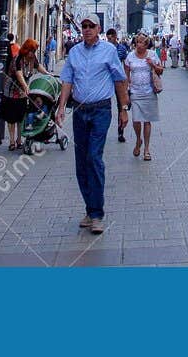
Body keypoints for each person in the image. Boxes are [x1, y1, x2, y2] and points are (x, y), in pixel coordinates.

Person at [56, 15, 129, 234]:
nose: (87, 29)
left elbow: (120, 79)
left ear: (99, 28)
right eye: (84, 26)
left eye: (91, 26)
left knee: (94, 158)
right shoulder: (75, 52)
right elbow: (67, 81)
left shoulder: (109, 51)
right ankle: (90, 209)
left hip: (101, 110)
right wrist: (61, 108)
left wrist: (123, 110)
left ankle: (97, 213)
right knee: (81, 162)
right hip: (79, 111)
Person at [126, 32, 163, 161]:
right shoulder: (130, 56)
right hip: (135, 92)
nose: (139, 44)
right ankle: (138, 140)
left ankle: (147, 149)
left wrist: (152, 64)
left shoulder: (152, 55)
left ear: (146, 44)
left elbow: (161, 71)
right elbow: (126, 76)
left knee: (147, 120)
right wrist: (126, 92)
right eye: (138, 42)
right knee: (136, 120)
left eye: (142, 42)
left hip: (149, 92)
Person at [3, 39, 40, 150]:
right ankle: (12, 141)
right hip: (11, 91)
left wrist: (48, 73)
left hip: (22, 93)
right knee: (11, 118)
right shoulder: (17, 59)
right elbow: (19, 75)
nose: (33, 53)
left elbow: (39, 67)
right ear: (26, 50)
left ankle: (19, 140)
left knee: (21, 117)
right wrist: (25, 87)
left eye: (34, 51)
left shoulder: (32, 59)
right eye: (32, 51)